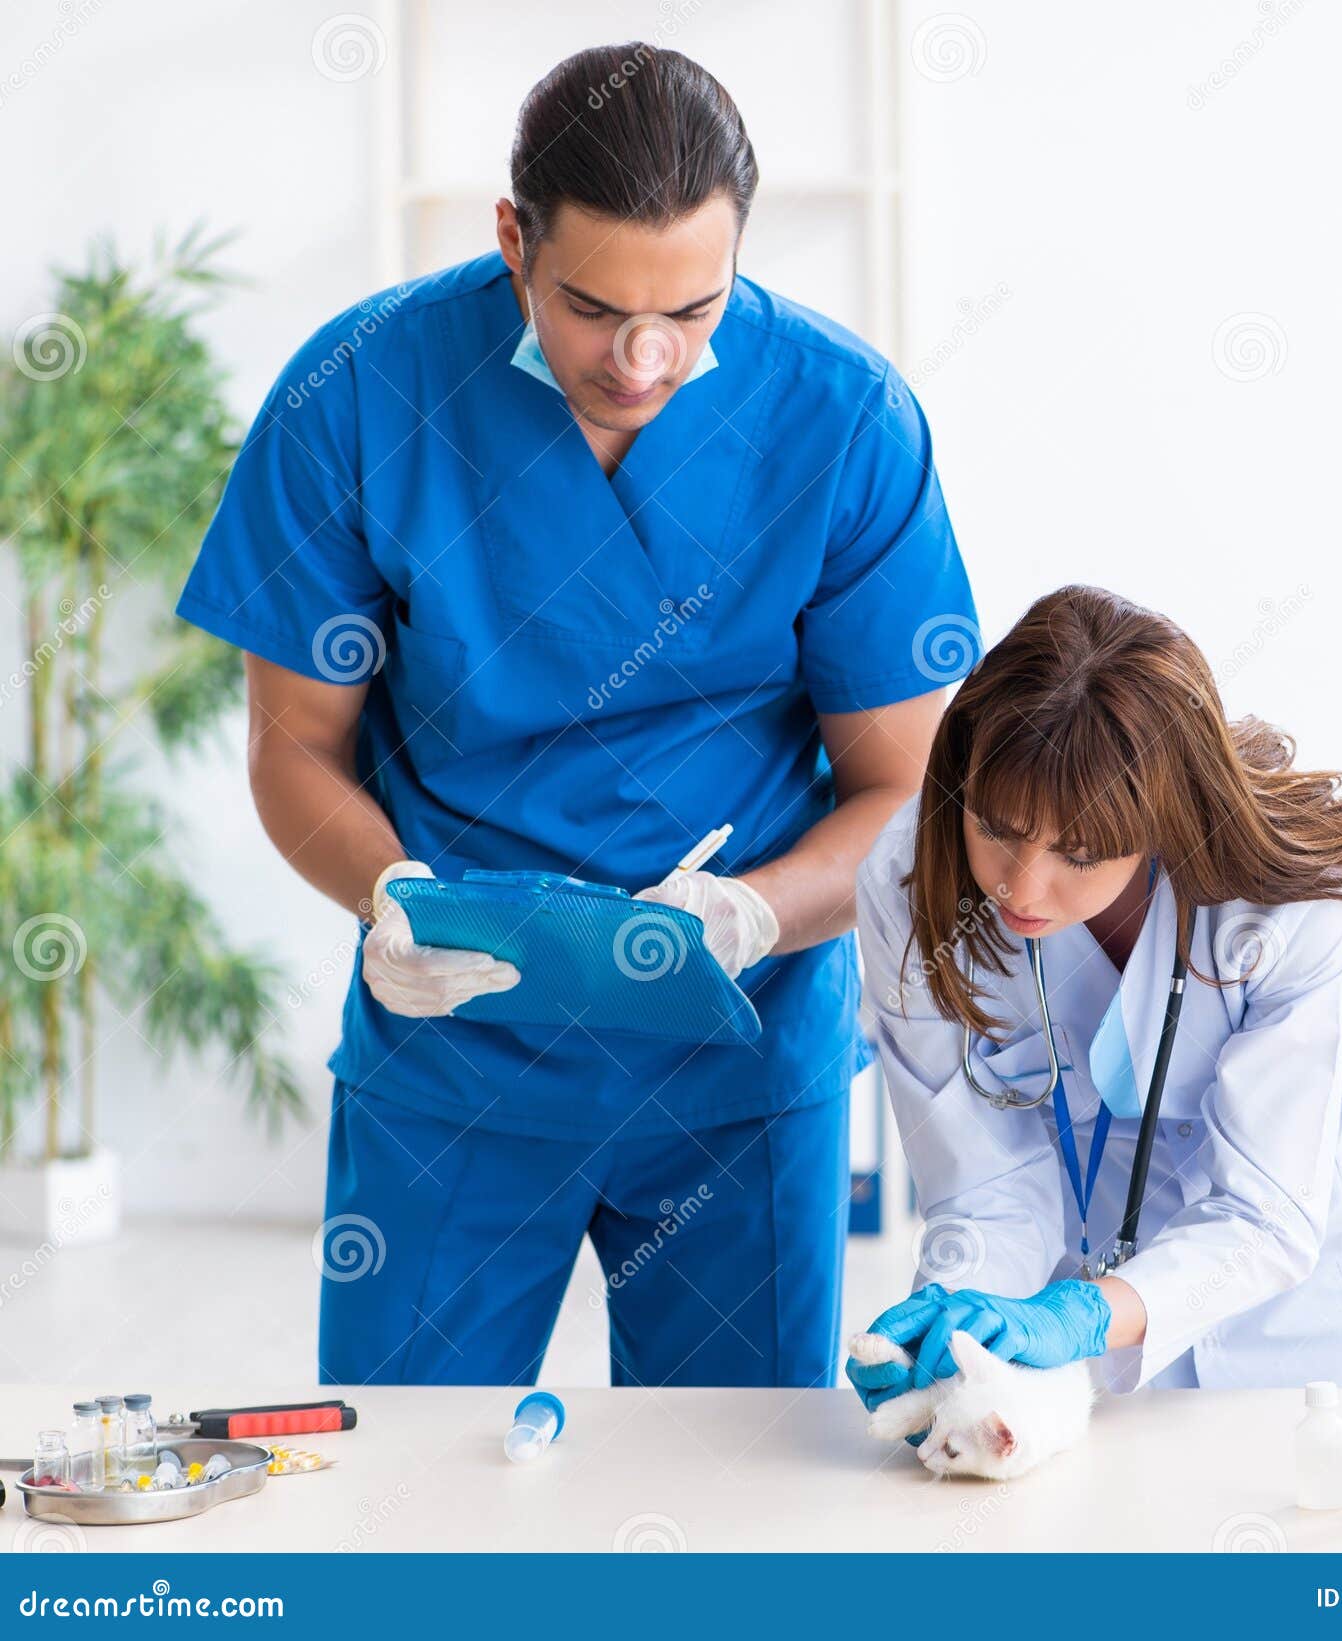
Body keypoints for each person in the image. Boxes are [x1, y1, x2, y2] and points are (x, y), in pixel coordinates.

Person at [175, 44, 975, 1388]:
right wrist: (393, 899)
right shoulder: (361, 396)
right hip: (455, 1057)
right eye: (596, 309)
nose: (647, 360)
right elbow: (294, 745)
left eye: (695, 311)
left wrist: (755, 913)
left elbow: (902, 789)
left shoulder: (844, 421)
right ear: (512, 241)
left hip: (740, 1061)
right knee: (403, 1510)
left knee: (730, 1522)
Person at [849, 585, 1342, 1403]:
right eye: (996, 827)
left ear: (1158, 823)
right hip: (1112, 1232)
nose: (1022, 887)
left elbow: (1265, 1216)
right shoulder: (910, 888)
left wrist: (1086, 1312)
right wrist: (958, 1313)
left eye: (1078, 851)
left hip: (1331, 1254)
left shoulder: (1285, 913)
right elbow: (981, 1185)